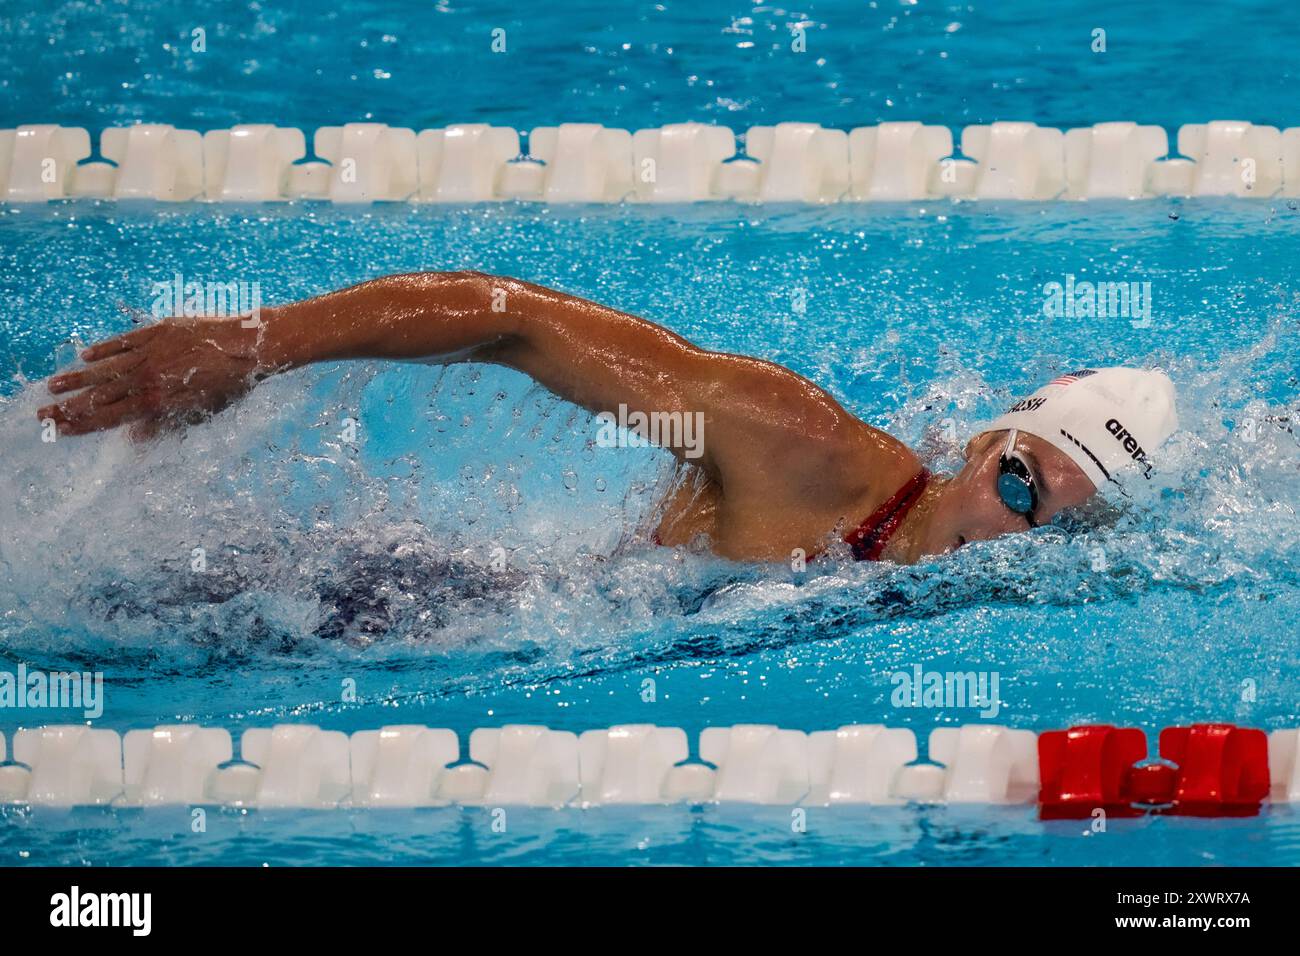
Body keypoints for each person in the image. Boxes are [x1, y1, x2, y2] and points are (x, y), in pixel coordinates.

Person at [37, 271, 1178, 564]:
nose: (1009, 533)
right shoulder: (802, 449)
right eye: (1020, 482)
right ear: (983, 441)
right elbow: (512, 321)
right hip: (412, 607)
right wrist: (256, 344)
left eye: (1057, 528)